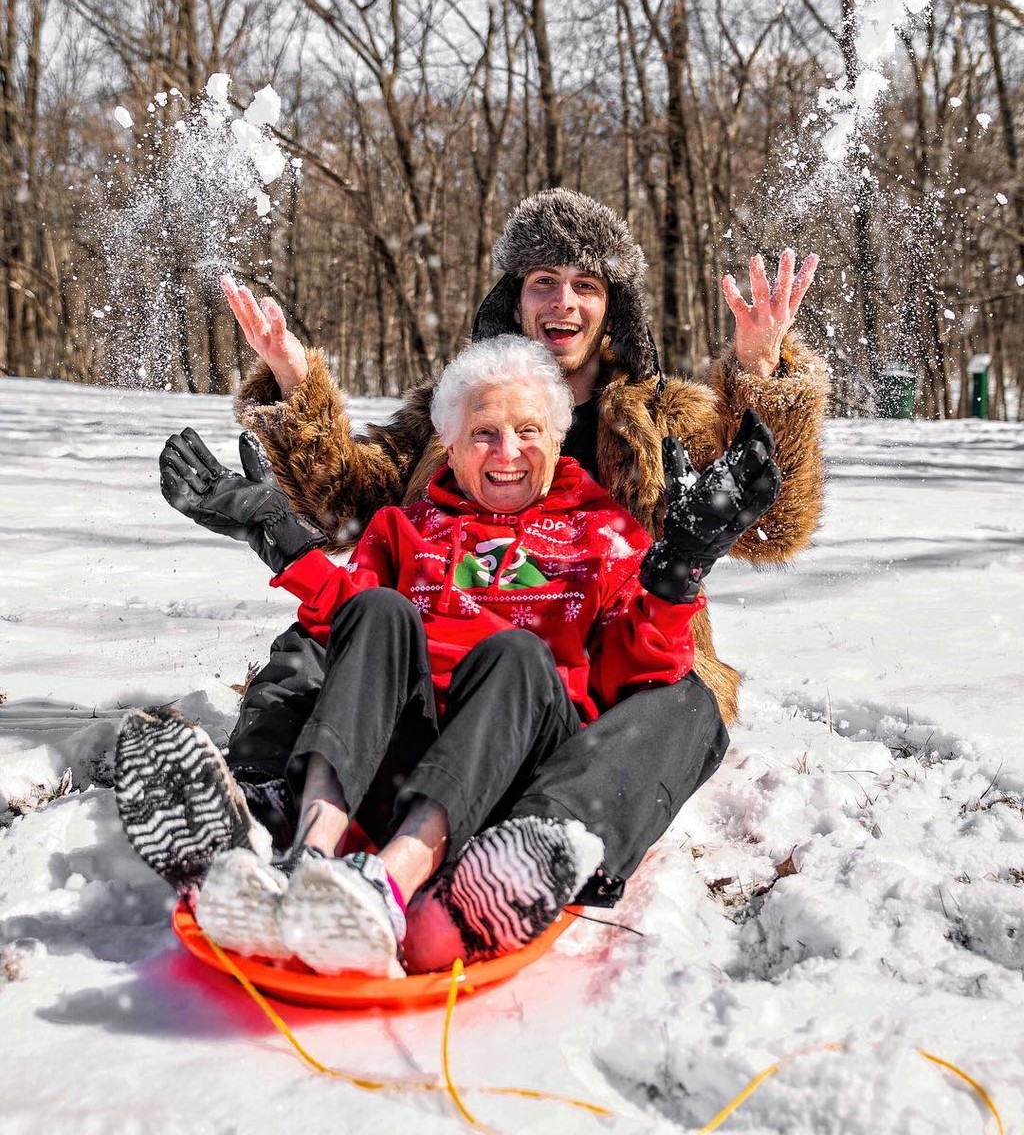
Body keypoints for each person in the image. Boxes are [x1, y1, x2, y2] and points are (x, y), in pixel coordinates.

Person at [216, 191, 829, 908]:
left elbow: (768, 525)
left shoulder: (669, 415)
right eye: (543, 281)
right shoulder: (462, 404)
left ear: (612, 307)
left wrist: (764, 373)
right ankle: (259, 805)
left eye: (585, 284)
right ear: (515, 299)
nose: (562, 300)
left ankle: (545, 849)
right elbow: (350, 503)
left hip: (624, 652)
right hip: (448, 644)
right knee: (327, 631)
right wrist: (294, 383)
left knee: (685, 706)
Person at [117, 336, 781, 977]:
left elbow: (642, 671)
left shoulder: (604, 534)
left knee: (516, 653)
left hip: (519, 765)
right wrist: (279, 536)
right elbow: (342, 633)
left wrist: (679, 570)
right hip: (402, 757)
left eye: (528, 431)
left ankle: (391, 879)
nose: (508, 452)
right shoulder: (405, 529)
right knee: (375, 610)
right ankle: (305, 853)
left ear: (555, 437)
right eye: (483, 434)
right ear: (452, 449)